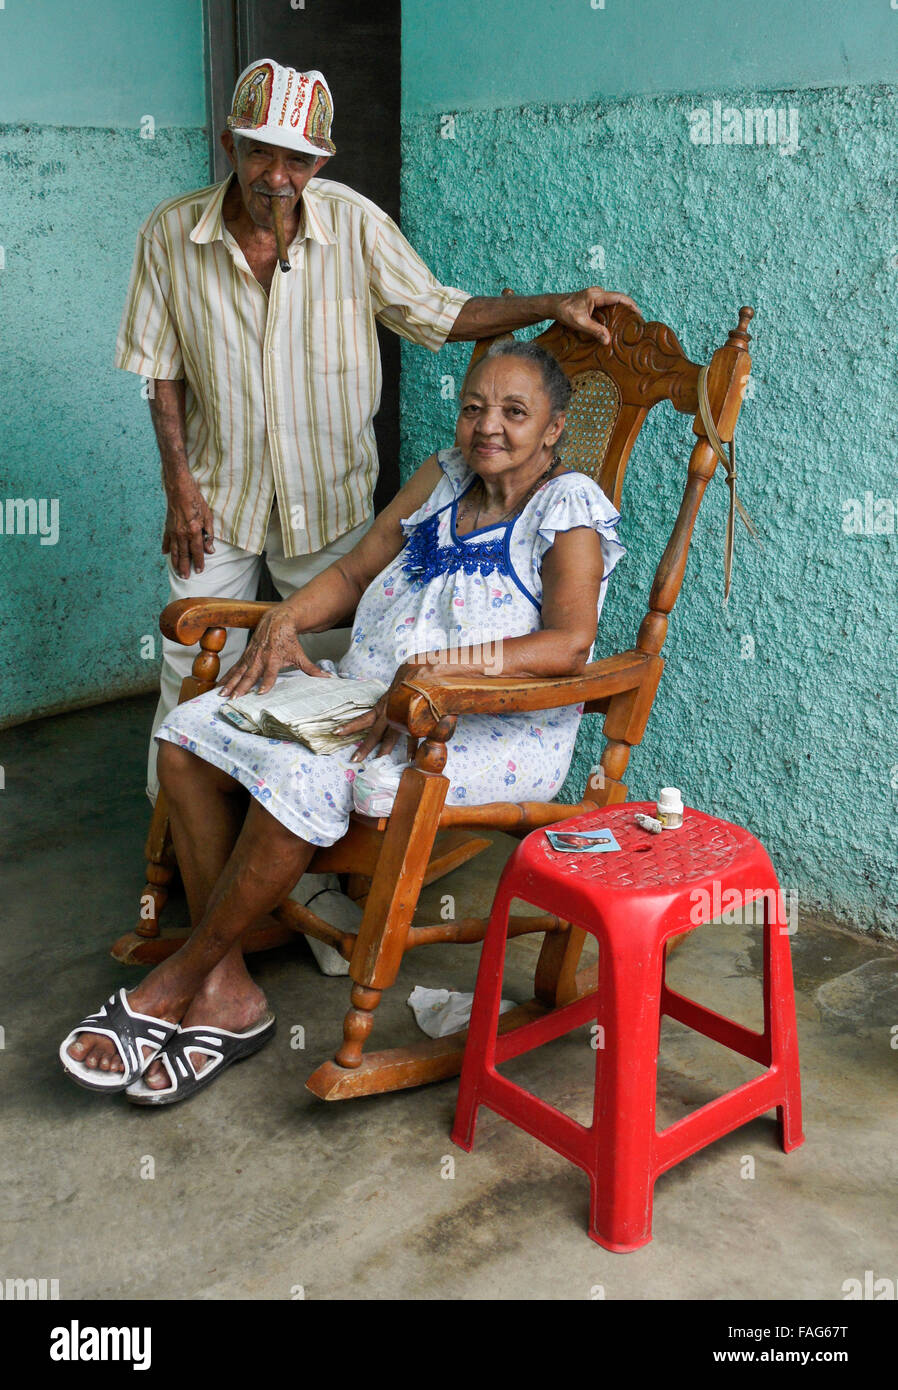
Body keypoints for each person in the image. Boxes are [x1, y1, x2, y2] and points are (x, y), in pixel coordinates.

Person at [60, 340, 626, 1103]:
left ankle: (183, 975)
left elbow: (568, 642)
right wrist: (285, 618)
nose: (488, 426)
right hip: (370, 697)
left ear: (554, 429)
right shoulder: (444, 476)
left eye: (514, 413)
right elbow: (359, 572)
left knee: (301, 769)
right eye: (474, 407)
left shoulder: (567, 508)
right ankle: (227, 987)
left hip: (479, 729)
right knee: (193, 733)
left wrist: (439, 673)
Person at [113, 57, 637, 800]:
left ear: (321, 161)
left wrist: (552, 304)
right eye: (259, 151)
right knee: (187, 664)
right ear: (230, 145)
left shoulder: (355, 225)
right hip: (214, 494)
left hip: (326, 497)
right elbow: (159, 368)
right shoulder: (171, 234)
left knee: (328, 663)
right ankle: (179, 832)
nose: (276, 176)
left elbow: (440, 312)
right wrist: (178, 487)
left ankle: (305, 837)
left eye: (297, 159)